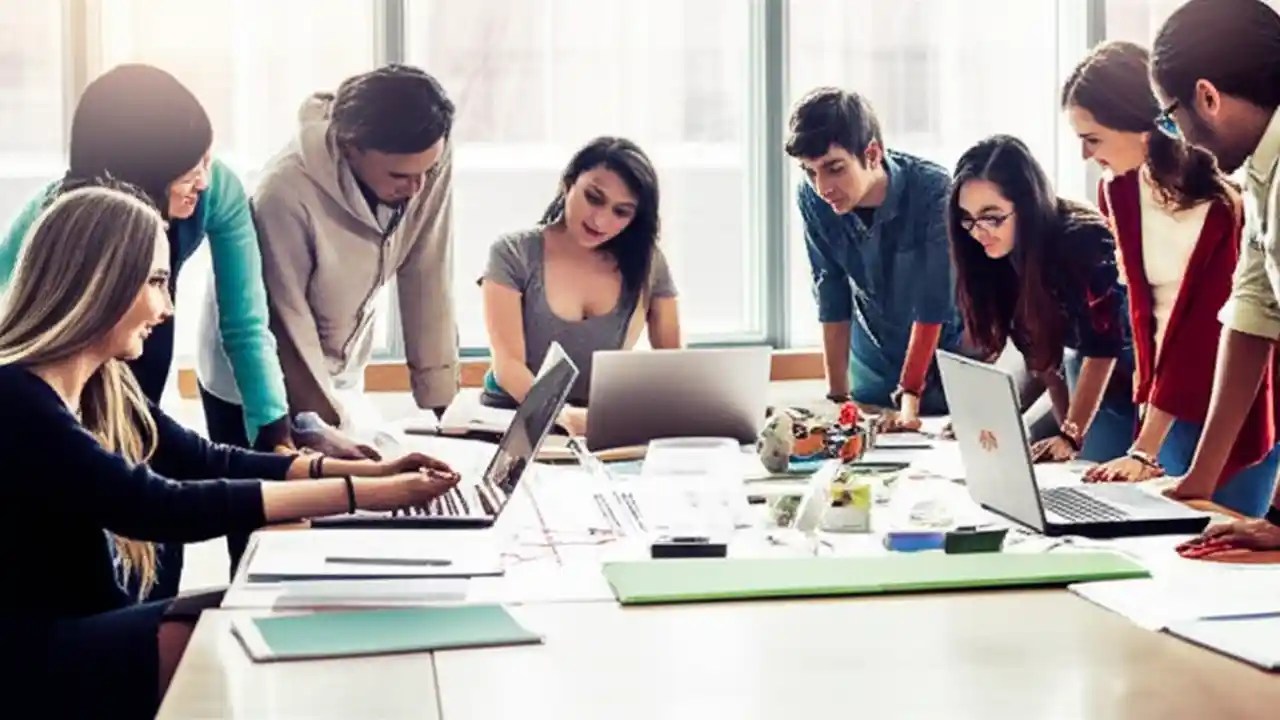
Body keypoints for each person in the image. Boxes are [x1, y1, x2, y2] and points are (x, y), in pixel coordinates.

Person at [0, 185, 460, 719]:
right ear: (98, 280)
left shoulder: (106, 386)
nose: (167, 308)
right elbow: (156, 504)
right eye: (155, 282)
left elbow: (205, 459)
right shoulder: (16, 400)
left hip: (77, 632)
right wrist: (358, 494)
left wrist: (352, 470)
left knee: (271, 611)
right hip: (27, 660)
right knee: (225, 630)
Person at [0, 63, 294, 599]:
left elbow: (247, 324)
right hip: (57, 407)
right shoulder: (58, 224)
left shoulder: (213, 191)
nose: (205, 178)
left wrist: (281, 440)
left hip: (119, 385)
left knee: (155, 567)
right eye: (189, 169)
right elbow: (16, 325)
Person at [1061, 40, 1280, 517]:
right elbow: (1143, 312)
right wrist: (1147, 419)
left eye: (1092, 137)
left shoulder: (1223, 203)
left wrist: (1145, 445)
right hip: (1163, 404)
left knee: (1222, 551)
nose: (1083, 153)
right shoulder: (1117, 190)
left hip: (1231, 404)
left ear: (1139, 124)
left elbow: (1209, 328)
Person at [214, 64, 459, 439]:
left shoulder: (423, 156)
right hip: (254, 370)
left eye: (428, 170)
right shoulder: (283, 193)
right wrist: (330, 430)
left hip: (338, 361)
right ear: (350, 148)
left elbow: (428, 272)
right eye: (399, 176)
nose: (416, 188)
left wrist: (445, 408)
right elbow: (287, 323)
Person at [1146, 0, 1280, 550]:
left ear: (1208, 96)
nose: (1180, 137)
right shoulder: (1261, 169)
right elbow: (1254, 309)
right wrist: (1199, 480)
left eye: (1170, 116)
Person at [786, 87, 967, 431]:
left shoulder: (934, 191)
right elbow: (831, 292)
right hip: (870, 377)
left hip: (943, 373)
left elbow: (934, 302)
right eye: (810, 172)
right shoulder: (813, 198)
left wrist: (909, 399)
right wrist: (839, 400)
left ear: (872, 153)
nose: (822, 187)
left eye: (834, 168)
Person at [948, 135, 1135, 463]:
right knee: (1060, 459)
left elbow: (1104, 348)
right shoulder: (998, 254)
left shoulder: (1082, 241)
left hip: (1131, 364)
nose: (978, 233)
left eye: (992, 217)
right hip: (1081, 363)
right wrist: (1067, 437)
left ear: (1027, 204)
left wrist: (1072, 436)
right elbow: (1042, 354)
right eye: (968, 219)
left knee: (1104, 470)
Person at [479, 137, 681, 436]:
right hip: (512, 417)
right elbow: (508, 365)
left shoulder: (648, 263)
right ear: (568, 183)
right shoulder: (512, 252)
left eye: (621, 212)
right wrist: (565, 418)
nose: (600, 220)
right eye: (594, 197)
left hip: (596, 425)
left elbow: (673, 366)